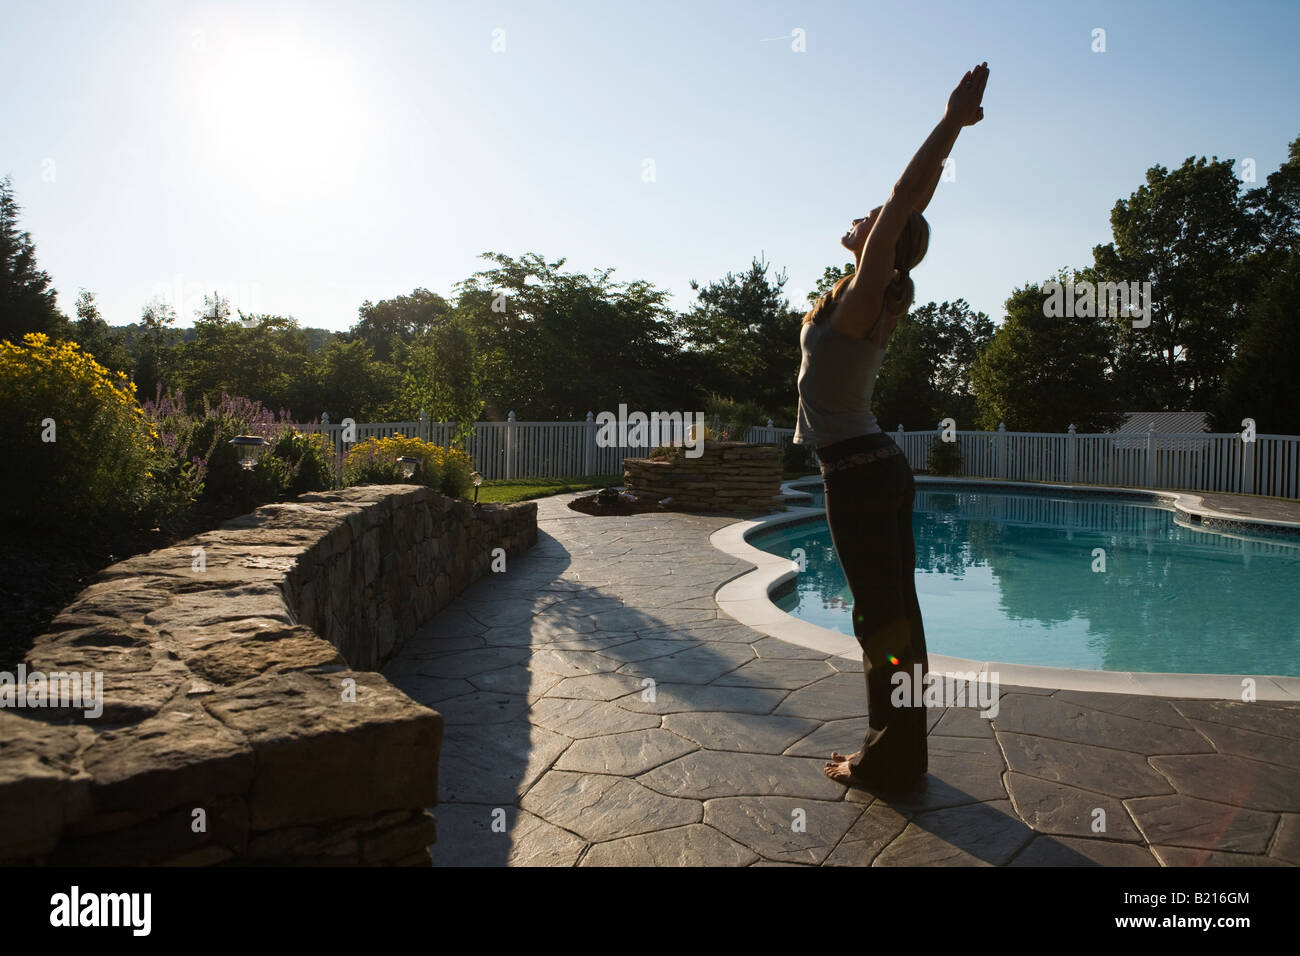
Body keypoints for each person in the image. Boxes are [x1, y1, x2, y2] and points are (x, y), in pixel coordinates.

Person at [794, 63, 990, 792]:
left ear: (890, 239)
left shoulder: (865, 293)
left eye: (875, 219)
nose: (864, 213)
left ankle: (893, 756)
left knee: (882, 620)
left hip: (859, 472)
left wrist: (950, 125)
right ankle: (899, 750)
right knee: (892, 617)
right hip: (867, 468)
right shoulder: (853, 293)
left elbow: (906, 196)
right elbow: (899, 206)